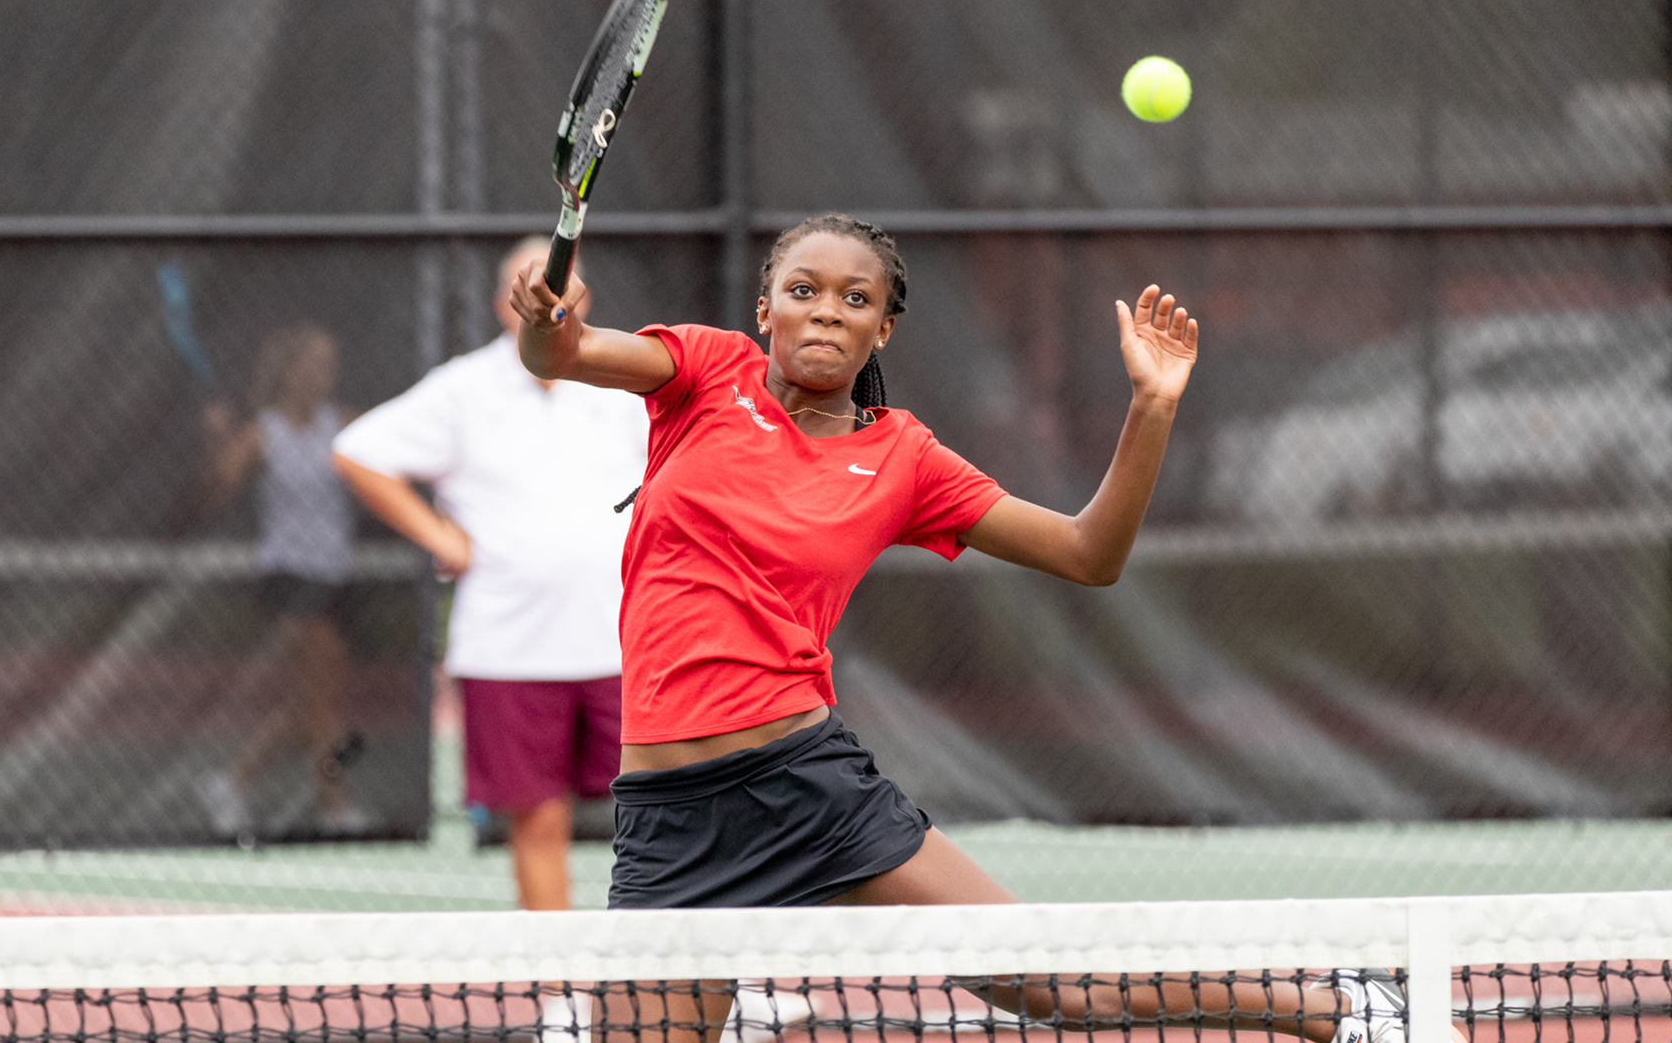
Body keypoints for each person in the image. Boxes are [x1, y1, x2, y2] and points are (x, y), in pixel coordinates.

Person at [509, 213, 1418, 1043]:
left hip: (806, 788)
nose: (826, 311)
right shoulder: (709, 370)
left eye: (855, 299)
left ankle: (1339, 1008)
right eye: (804, 289)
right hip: (669, 817)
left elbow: (1088, 553)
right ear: (765, 310)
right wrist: (548, 316)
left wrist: (1153, 405)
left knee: (1056, 987)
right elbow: (561, 351)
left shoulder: (901, 457)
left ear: (882, 329)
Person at [332, 236, 646, 913]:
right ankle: (560, 980)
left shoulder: (625, 382)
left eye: (563, 288)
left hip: (629, 648)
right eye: (532, 288)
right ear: (506, 305)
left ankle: (687, 975)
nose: (549, 299)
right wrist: (440, 536)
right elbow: (358, 451)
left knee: (671, 816)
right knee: (538, 821)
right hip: (508, 650)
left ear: (585, 301)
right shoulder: (463, 388)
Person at [199, 321, 370, 838]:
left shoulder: (343, 423)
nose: (323, 374)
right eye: (312, 364)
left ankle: (231, 783)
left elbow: (389, 462)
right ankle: (335, 804)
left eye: (329, 365)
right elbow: (220, 489)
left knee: (309, 704)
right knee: (318, 698)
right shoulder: (263, 432)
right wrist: (216, 436)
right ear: (289, 370)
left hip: (334, 573)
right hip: (287, 576)